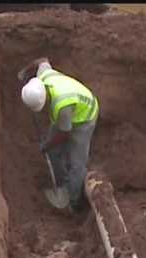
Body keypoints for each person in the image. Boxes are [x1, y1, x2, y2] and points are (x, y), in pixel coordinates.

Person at [20, 59, 99, 213]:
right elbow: (42, 60)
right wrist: (25, 70)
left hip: (85, 116)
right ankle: (62, 183)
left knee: (77, 163)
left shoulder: (61, 106)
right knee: (53, 150)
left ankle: (74, 202)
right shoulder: (44, 77)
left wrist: (47, 145)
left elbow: (64, 133)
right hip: (67, 114)